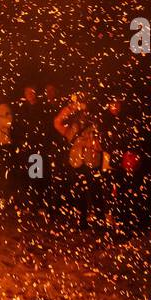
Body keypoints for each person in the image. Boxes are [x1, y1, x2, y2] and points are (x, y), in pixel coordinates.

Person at [54, 92, 103, 225]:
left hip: (92, 163)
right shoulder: (73, 127)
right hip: (76, 163)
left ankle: (99, 219)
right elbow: (57, 122)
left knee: (94, 191)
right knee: (79, 191)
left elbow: (100, 146)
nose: (83, 116)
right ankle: (82, 219)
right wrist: (72, 107)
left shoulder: (96, 126)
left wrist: (89, 143)